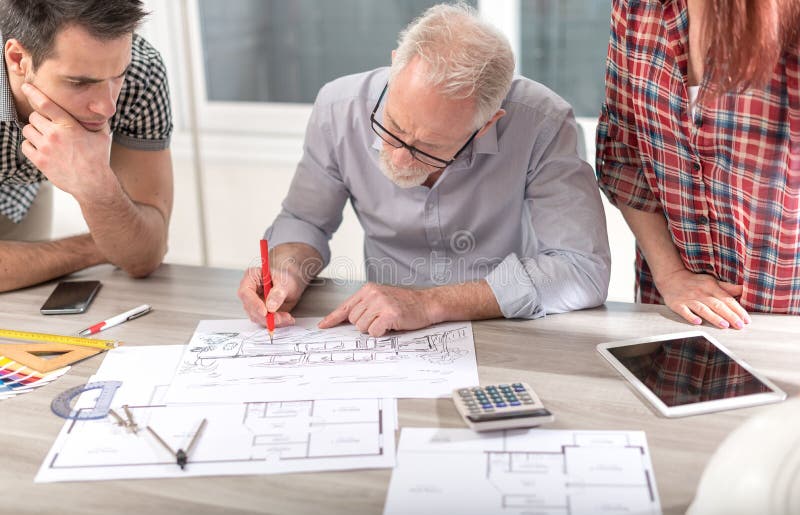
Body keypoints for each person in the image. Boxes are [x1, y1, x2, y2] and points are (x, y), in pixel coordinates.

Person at [239, 3, 610, 336]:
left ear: (486, 125)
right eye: (393, 127)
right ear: (396, 65)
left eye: (429, 148)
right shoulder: (338, 109)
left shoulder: (542, 123)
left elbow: (581, 269)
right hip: (385, 332)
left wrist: (430, 304)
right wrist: (287, 271)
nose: (400, 160)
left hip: (503, 328)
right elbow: (305, 220)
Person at [597, 0, 800, 328]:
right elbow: (625, 158)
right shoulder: (636, 8)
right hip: (673, 313)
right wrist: (670, 274)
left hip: (781, 320)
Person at [0, 0, 173, 292]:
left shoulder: (141, 74)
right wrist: (98, 247)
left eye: (118, 75)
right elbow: (128, 246)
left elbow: (145, 255)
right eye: (79, 83)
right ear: (18, 59)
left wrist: (97, 185)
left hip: (20, 196)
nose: (107, 107)